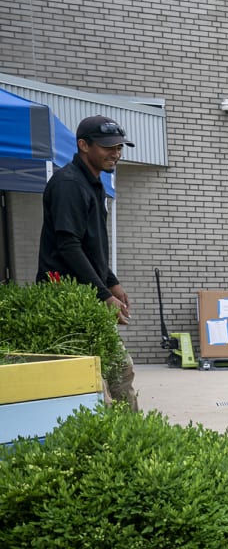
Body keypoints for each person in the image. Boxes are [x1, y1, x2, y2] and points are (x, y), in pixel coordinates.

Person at [36, 115, 137, 408]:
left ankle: (131, 437)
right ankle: (106, 443)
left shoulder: (93, 184)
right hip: (66, 297)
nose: (116, 153)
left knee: (120, 369)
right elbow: (68, 246)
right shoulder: (68, 185)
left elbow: (91, 247)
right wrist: (104, 294)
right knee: (93, 381)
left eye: (119, 147)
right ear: (83, 145)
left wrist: (112, 282)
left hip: (90, 292)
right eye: (108, 147)